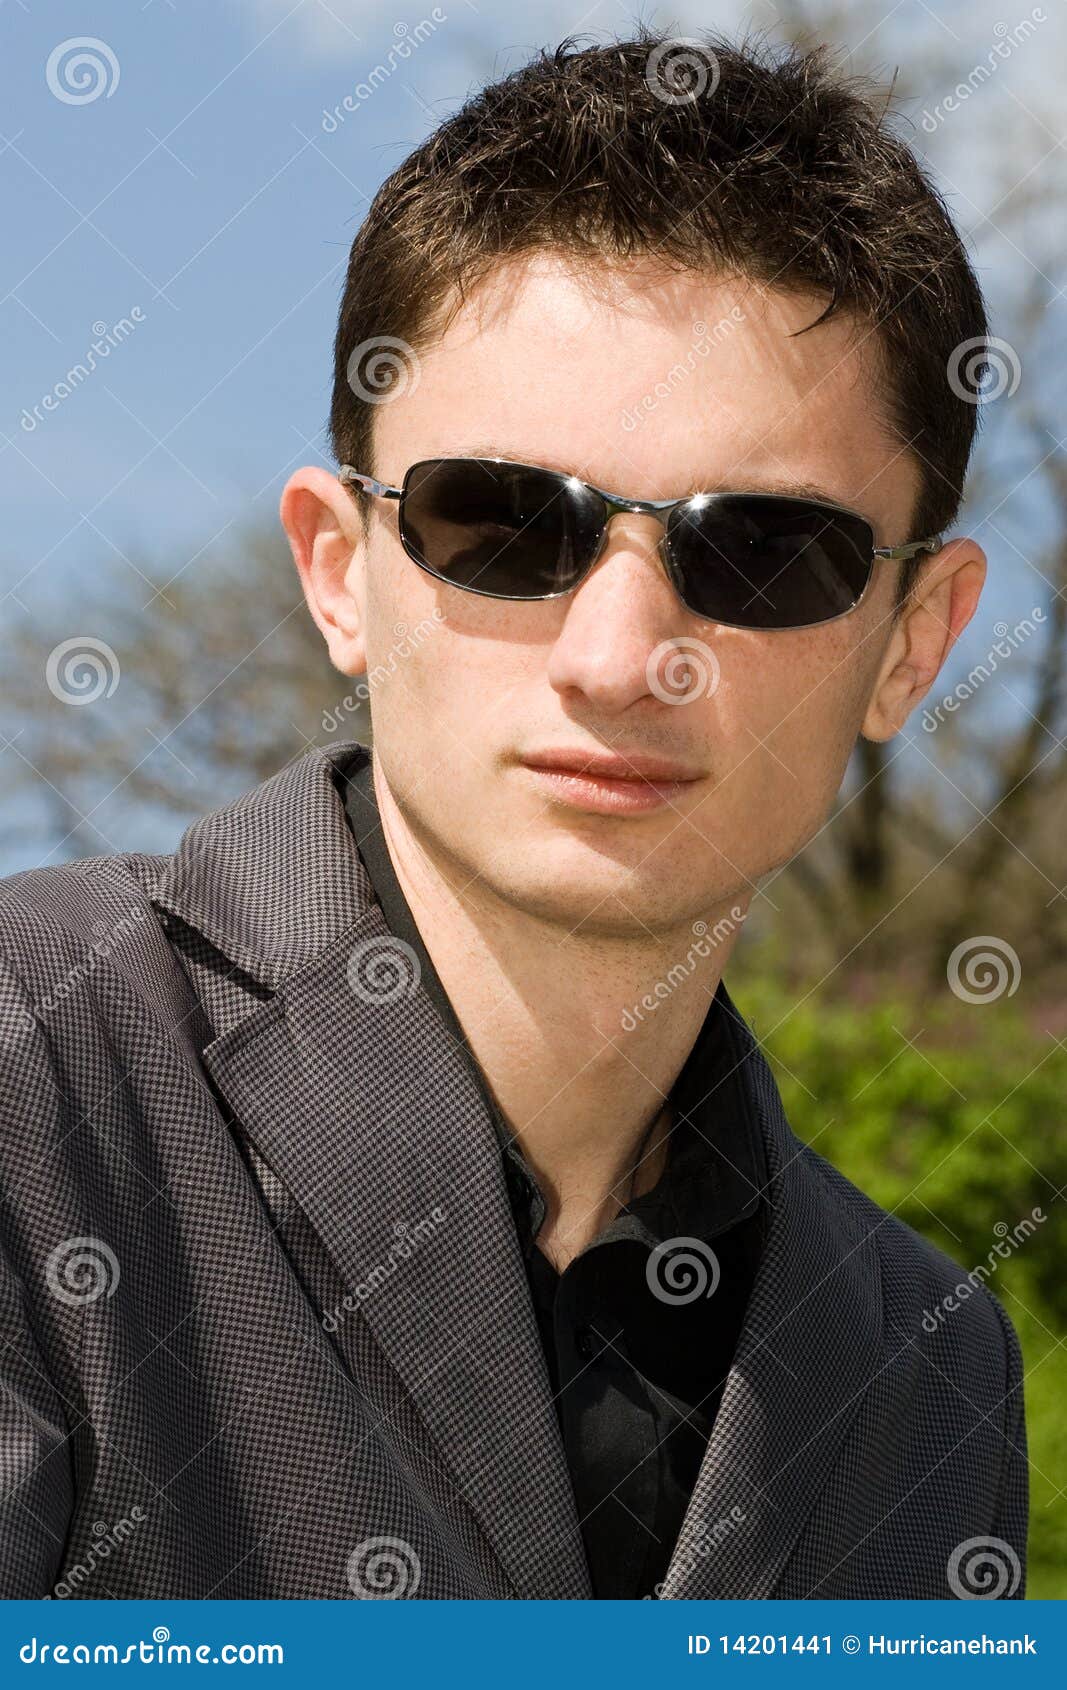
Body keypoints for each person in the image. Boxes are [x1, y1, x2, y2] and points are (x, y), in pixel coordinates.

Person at [0, 31, 1026, 1601]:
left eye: (761, 549)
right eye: (503, 522)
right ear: (340, 570)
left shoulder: (929, 1362)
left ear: (913, 643)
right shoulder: (32, 1081)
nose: (621, 658)